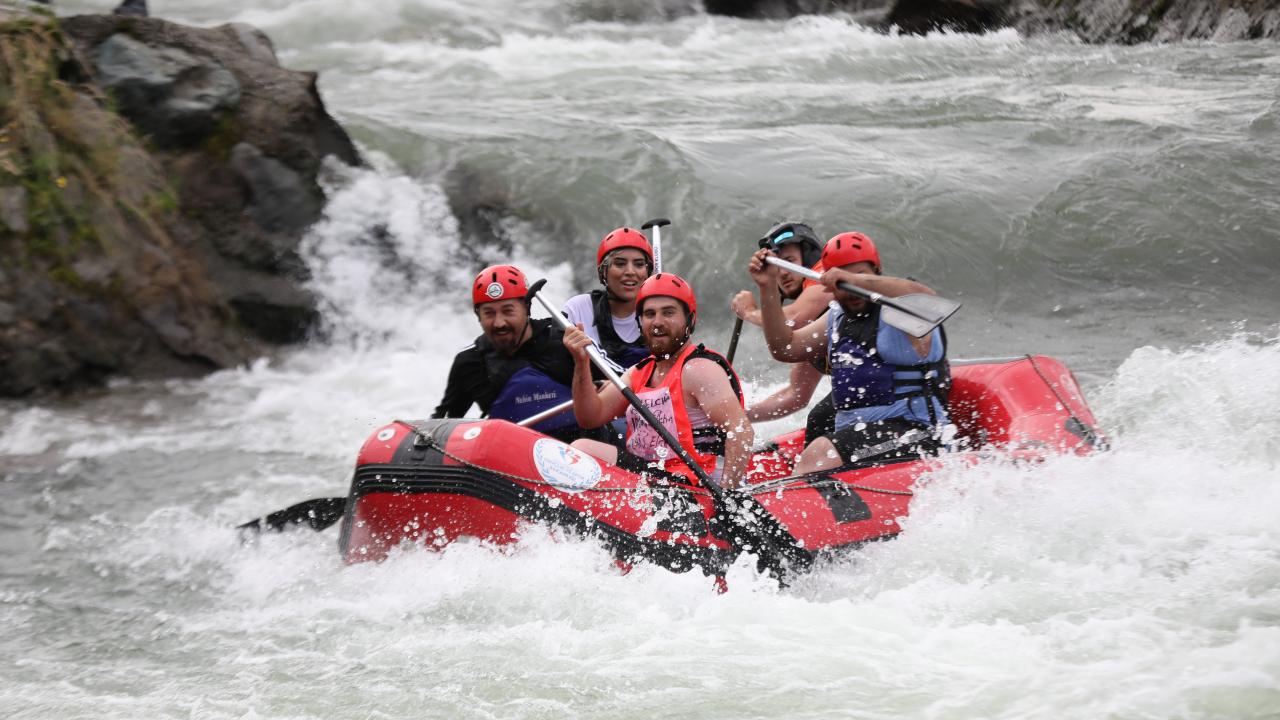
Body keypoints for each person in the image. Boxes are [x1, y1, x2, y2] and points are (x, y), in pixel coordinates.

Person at [749, 231, 952, 475]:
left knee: (820, 452)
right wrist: (767, 288)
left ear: (876, 272)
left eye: (860, 274)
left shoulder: (903, 310)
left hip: (918, 433)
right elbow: (785, 348)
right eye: (842, 283)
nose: (851, 289)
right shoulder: (837, 316)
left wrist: (852, 280)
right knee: (819, 422)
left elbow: (927, 298)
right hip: (860, 434)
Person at [562, 273, 754, 489]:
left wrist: (728, 495)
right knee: (581, 450)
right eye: (649, 314)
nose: (658, 322)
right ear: (640, 321)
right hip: (658, 476)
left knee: (583, 448)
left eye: (668, 313)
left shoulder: (698, 369)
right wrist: (581, 363)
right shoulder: (640, 372)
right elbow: (590, 417)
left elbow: (741, 431)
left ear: (690, 320)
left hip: (699, 483)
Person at [432, 264, 599, 442]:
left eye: (508, 311)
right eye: (489, 313)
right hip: (512, 458)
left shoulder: (566, 343)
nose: (499, 323)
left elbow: (614, 392)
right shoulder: (470, 362)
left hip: (581, 451)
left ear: (527, 308)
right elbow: (442, 425)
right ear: (478, 315)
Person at [730, 222, 834, 441]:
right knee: (820, 420)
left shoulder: (827, 276)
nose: (783, 273)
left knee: (822, 419)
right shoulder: (813, 324)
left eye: (789, 262)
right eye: (777, 267)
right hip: (863, 386)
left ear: (808, 259)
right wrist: (738, 416)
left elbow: (793, 319)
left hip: (897, 384)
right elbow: (795, 395)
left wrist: (749, 312)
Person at [561, 227, 653, 369]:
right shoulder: (578, 309)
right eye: (620, 264)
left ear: (648, 272)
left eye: (639, 264)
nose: (630, 271)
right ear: (604, 271)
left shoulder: (659, 315)